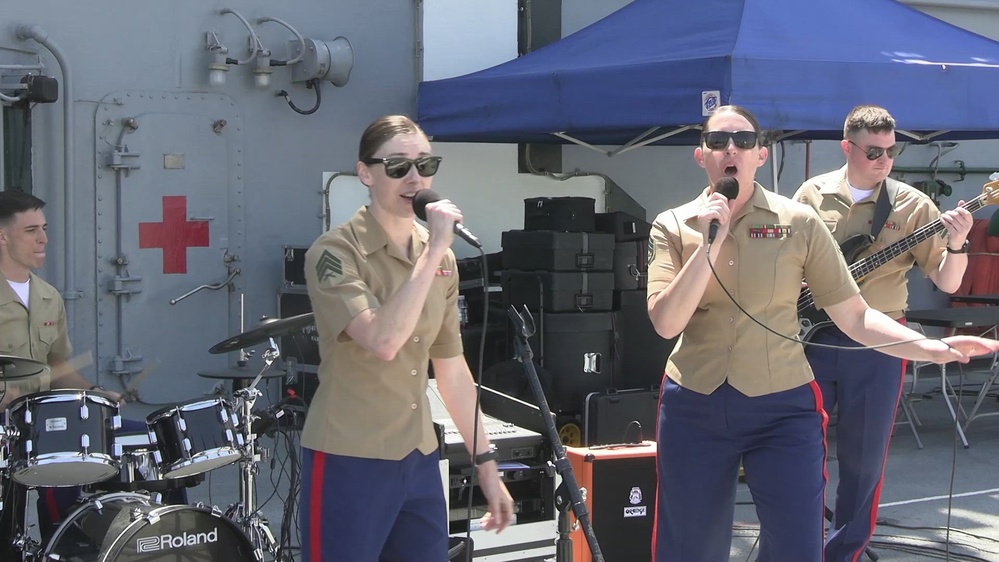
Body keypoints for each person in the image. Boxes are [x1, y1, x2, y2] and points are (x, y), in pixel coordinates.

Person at [645, 105, 998, 562]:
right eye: (718, 141)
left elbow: (854, 314)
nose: (731, 149)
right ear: (701, 156)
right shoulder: (673, 225)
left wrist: (932, 348)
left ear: (761, 155)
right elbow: (666, 323)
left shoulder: (799, 221)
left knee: (798, 544)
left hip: (783, 406)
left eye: (744, 141)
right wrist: (710, 241)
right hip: (696, 403)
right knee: (689, 547)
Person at [300, 115, 514, 561]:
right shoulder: (335, 252)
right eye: (398, 166)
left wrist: (486, 464)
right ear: (365, 173)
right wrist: (434, 250)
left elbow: (452, 369)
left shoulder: (441, 260)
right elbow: (382, 340)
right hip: (349, 456)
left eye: (426, 164)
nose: (415, 179)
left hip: (417, 456)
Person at [792, 105, 973, 562]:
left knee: (865, 460)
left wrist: (957, 243)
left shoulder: (914, 205)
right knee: (797, 450)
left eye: (892, 151)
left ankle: (843, 553)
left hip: (881, 342)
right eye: (874, 151)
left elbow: (948, 282)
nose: (884, 160)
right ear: (847, 147)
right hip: (813, 337)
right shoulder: (811, 194)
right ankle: (798, 546)